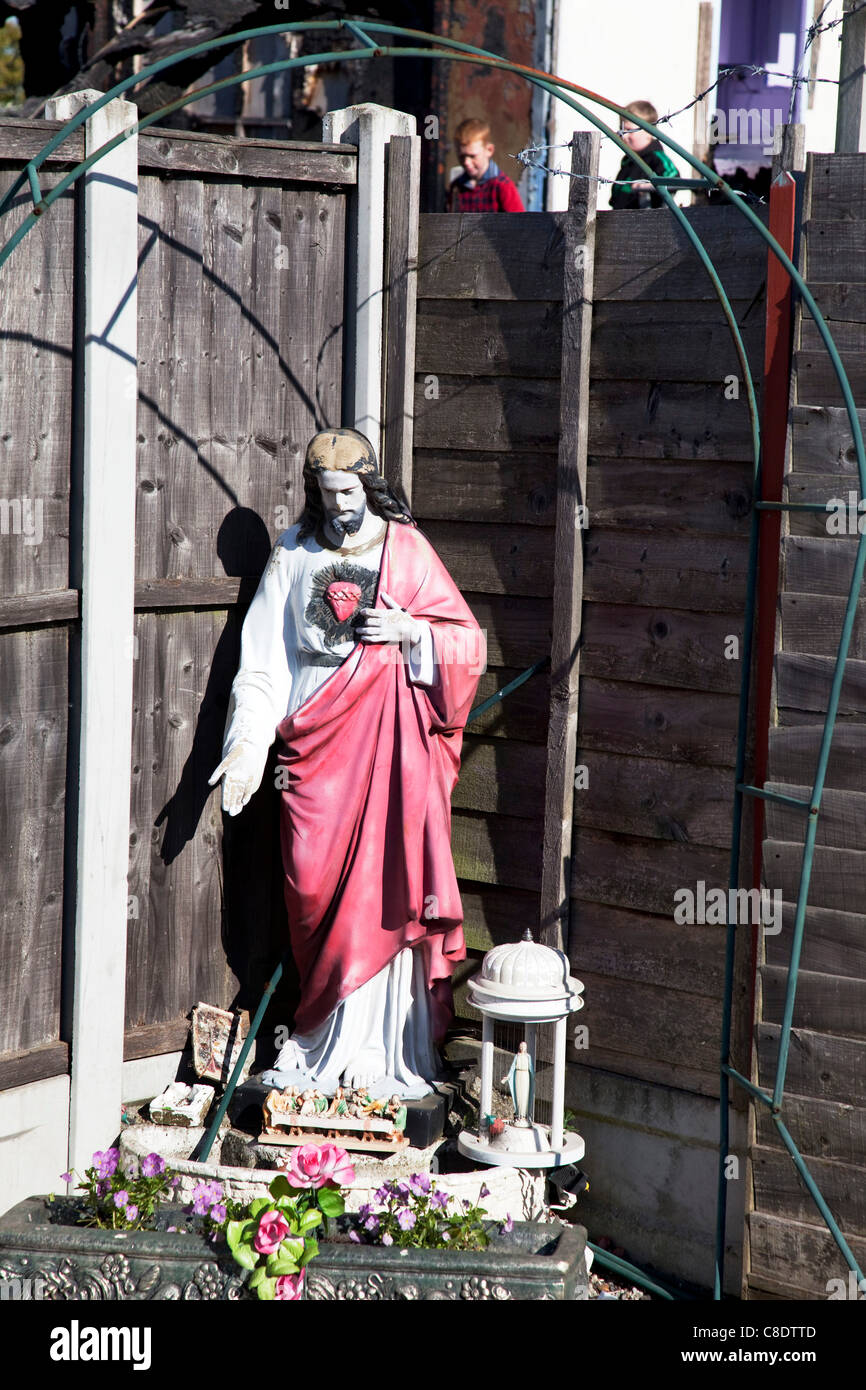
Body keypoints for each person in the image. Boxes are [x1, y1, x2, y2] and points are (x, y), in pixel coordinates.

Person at [209, 428, 485, 1100]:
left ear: (372, 488)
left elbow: (467, 642)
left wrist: (411, 631)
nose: (340, 506)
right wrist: (246, 746)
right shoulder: (293, 554)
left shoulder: (407, 551)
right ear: (314, 493)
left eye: (351, 492)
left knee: (386, 887)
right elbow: (262, 664)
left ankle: (384, 1048)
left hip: (391, 755)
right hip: (313, 753)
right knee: (310, 889)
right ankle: (319, 1038)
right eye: (328, 494)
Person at [609, 100, 679, 209]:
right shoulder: (628, 161)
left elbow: (673, 178)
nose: (623, 136)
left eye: (629, 130)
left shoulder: (656, 157)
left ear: (649, 131)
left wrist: (645, 187)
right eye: (621, 130)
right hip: (620, 220)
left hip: (645, 221)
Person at [446, 117, 525, 212]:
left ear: (489, 150)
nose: (466, 162)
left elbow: (519, 224)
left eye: (472, 156)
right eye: (462, 156)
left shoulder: (503, 187)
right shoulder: (456, 188)